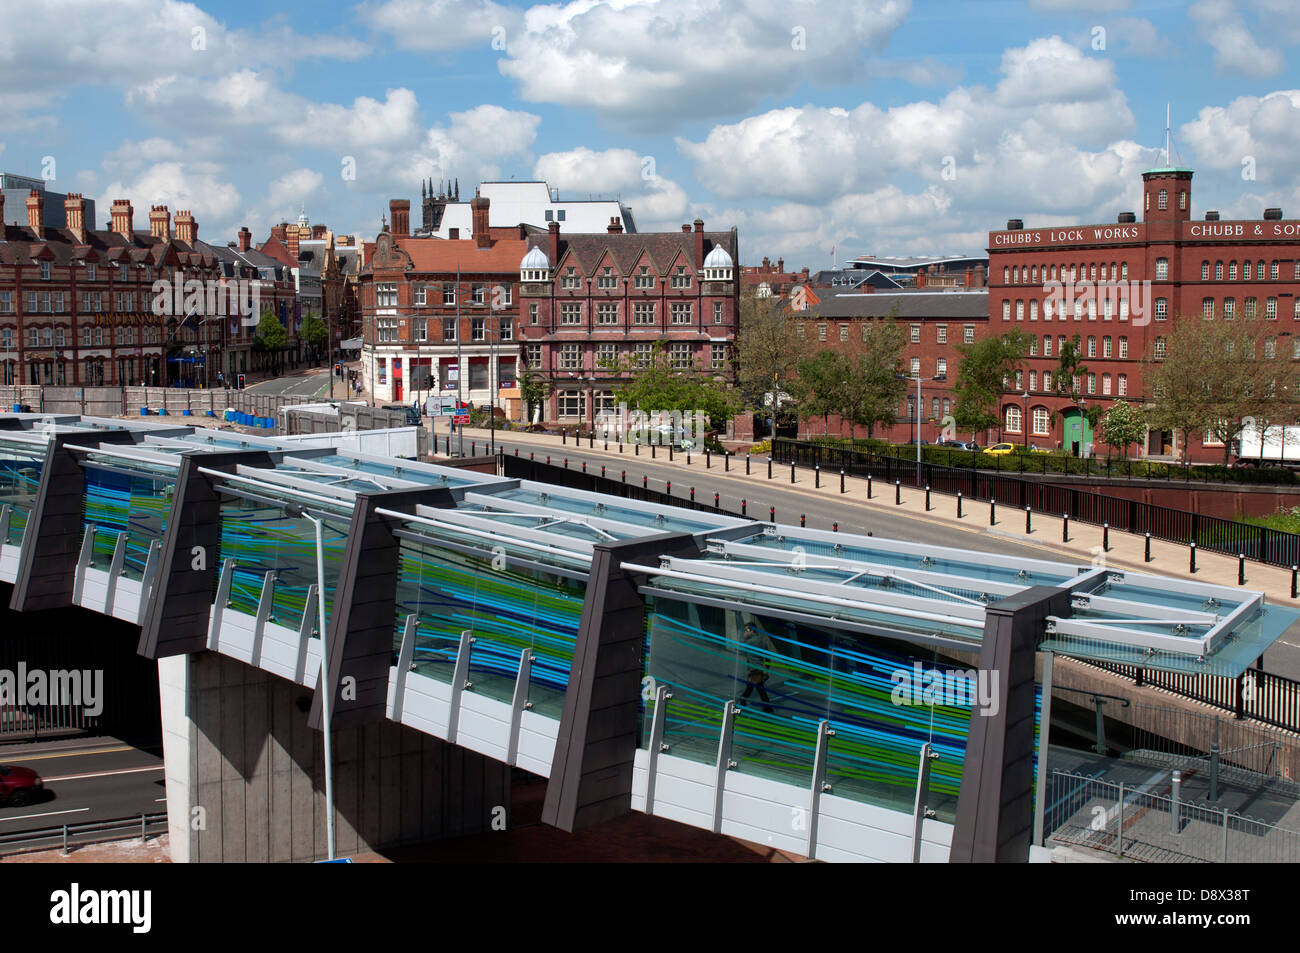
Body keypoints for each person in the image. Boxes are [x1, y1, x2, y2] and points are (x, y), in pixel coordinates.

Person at [739, 621, 776, 714]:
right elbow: (767, 656)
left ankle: (743, 702)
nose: (745, 632)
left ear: (752, 631)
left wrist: (744, 639)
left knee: (757, 688)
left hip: (754, 669)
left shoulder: (749, 642)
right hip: (760, 669)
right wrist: (766, 669)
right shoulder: (762, 640)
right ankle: (767, 707)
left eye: (746, 630)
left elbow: (740, 650)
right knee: (754, 687)